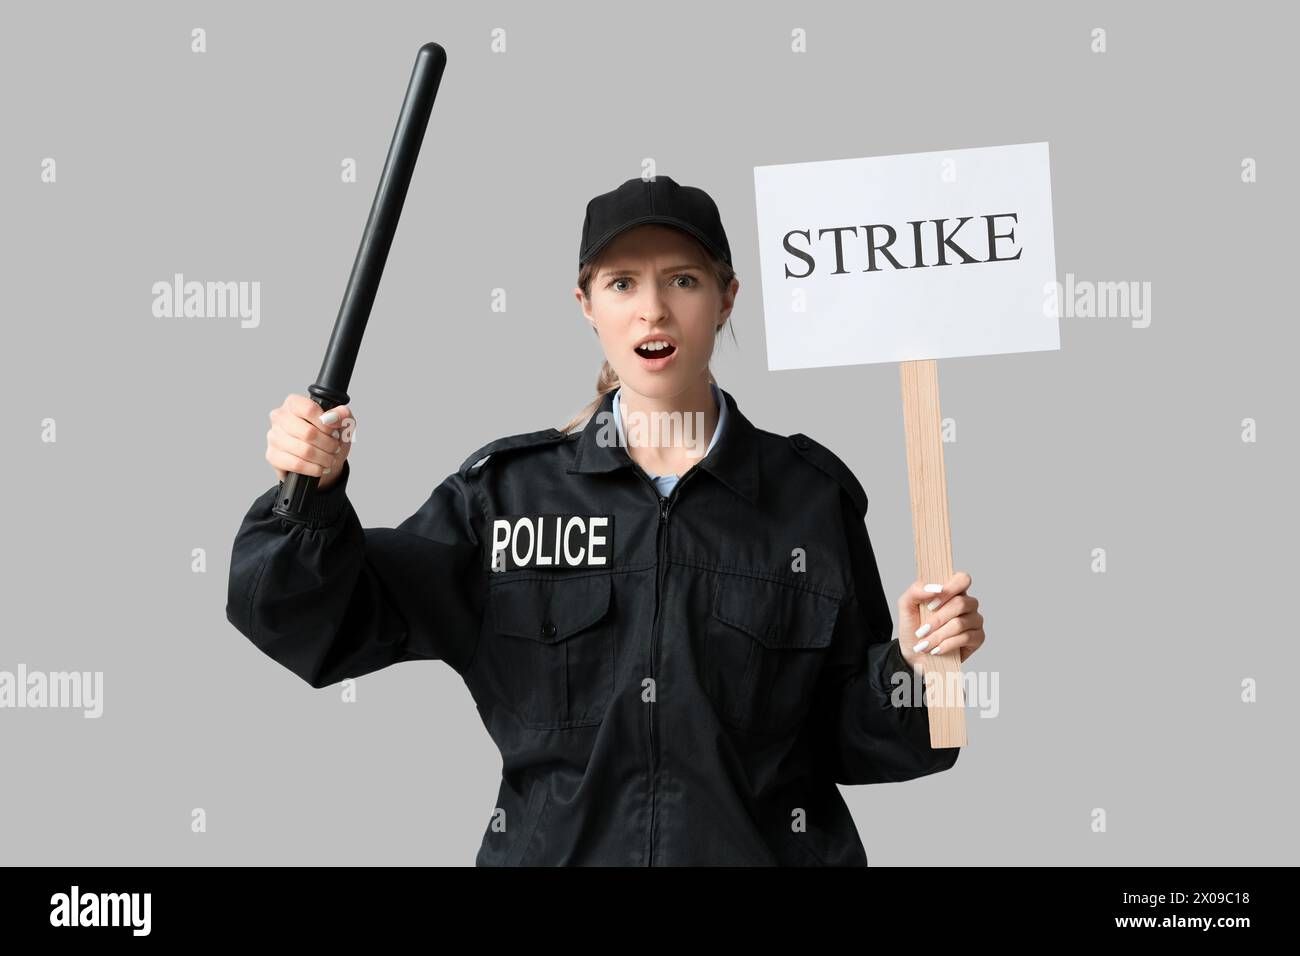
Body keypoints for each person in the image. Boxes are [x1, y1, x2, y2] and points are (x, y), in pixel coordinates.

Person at [226, 175, 986, 866]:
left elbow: (850, 742)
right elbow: (315, 622)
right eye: (623, 283)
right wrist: (311, 494)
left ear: (726, 299)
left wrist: (917, 671)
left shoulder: (808, 498)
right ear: (587, 305)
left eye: (682, 280)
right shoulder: (506, 499)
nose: (653, 308)